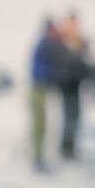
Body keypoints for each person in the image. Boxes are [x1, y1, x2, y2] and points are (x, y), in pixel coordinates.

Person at [29, 19, 66, 172]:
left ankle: (39, 155)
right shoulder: (44, 46)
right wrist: (53, 74)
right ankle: (37, 156)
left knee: (42, 125)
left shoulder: (48, 45)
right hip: (38, 90)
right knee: (39, 125)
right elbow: (38, 71)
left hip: (41, 90)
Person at [58, 12, 92, 160]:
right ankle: (66, 147)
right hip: (67, 84)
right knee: (69, 116)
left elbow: (85, 61)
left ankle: (71, 146)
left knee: (75, 116)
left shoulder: (80, 41)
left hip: (76, 84)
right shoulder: (62, 41)